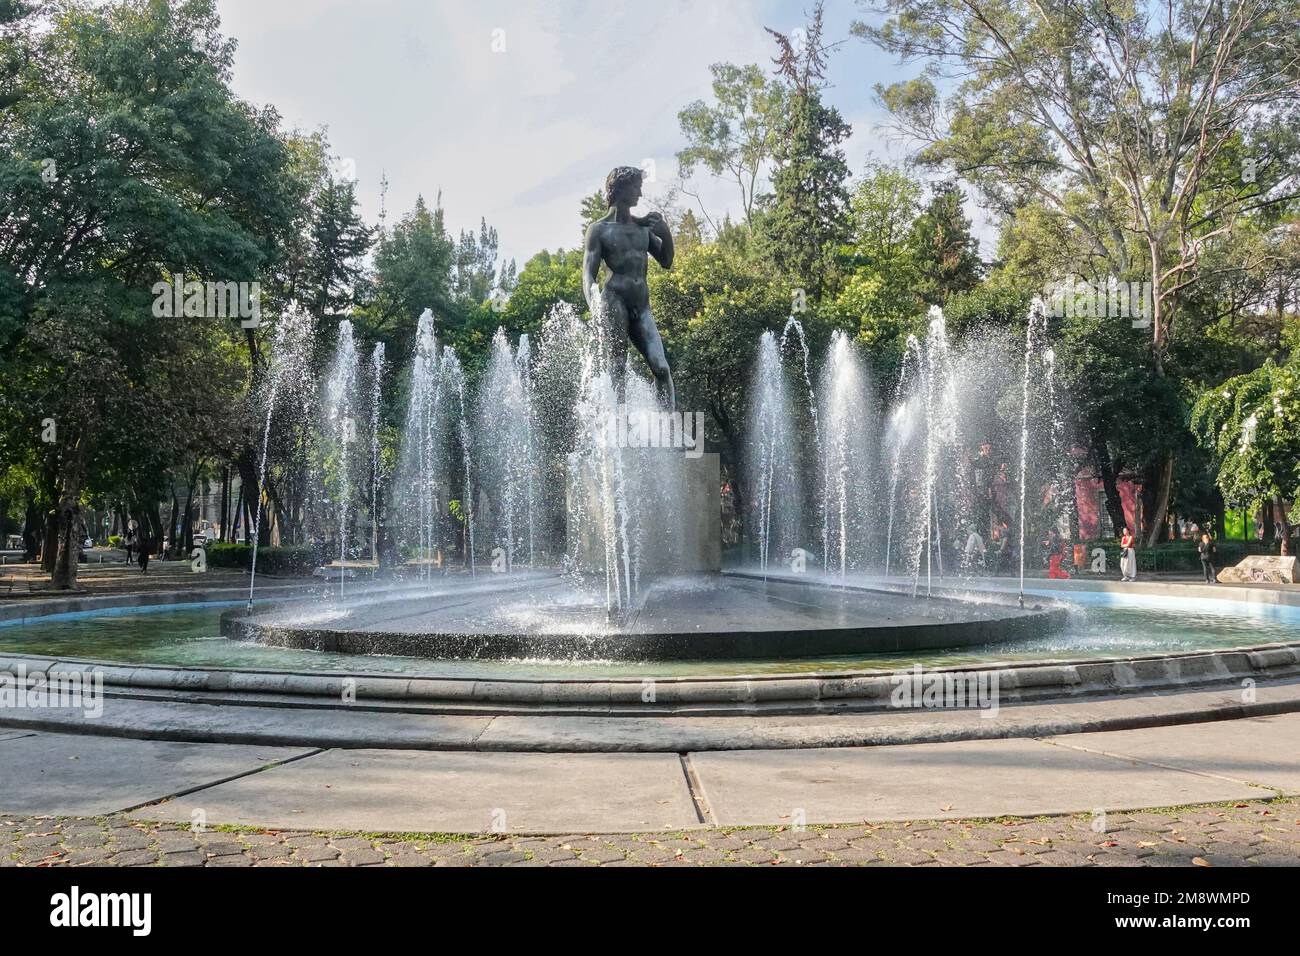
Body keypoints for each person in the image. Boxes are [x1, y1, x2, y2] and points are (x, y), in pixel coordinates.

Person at [582, 165, 676, 408]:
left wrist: (665, 234)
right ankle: (617, 432)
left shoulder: (643, 227)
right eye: (637, 188)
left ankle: (669, 437)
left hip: (642, 306)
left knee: (661, 368)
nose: (640, 195)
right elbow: (588, 274)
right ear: (621, 188)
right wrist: (594, 306)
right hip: (614, 303)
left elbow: (666, 261)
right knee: (617, 368)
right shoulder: (599, 229)